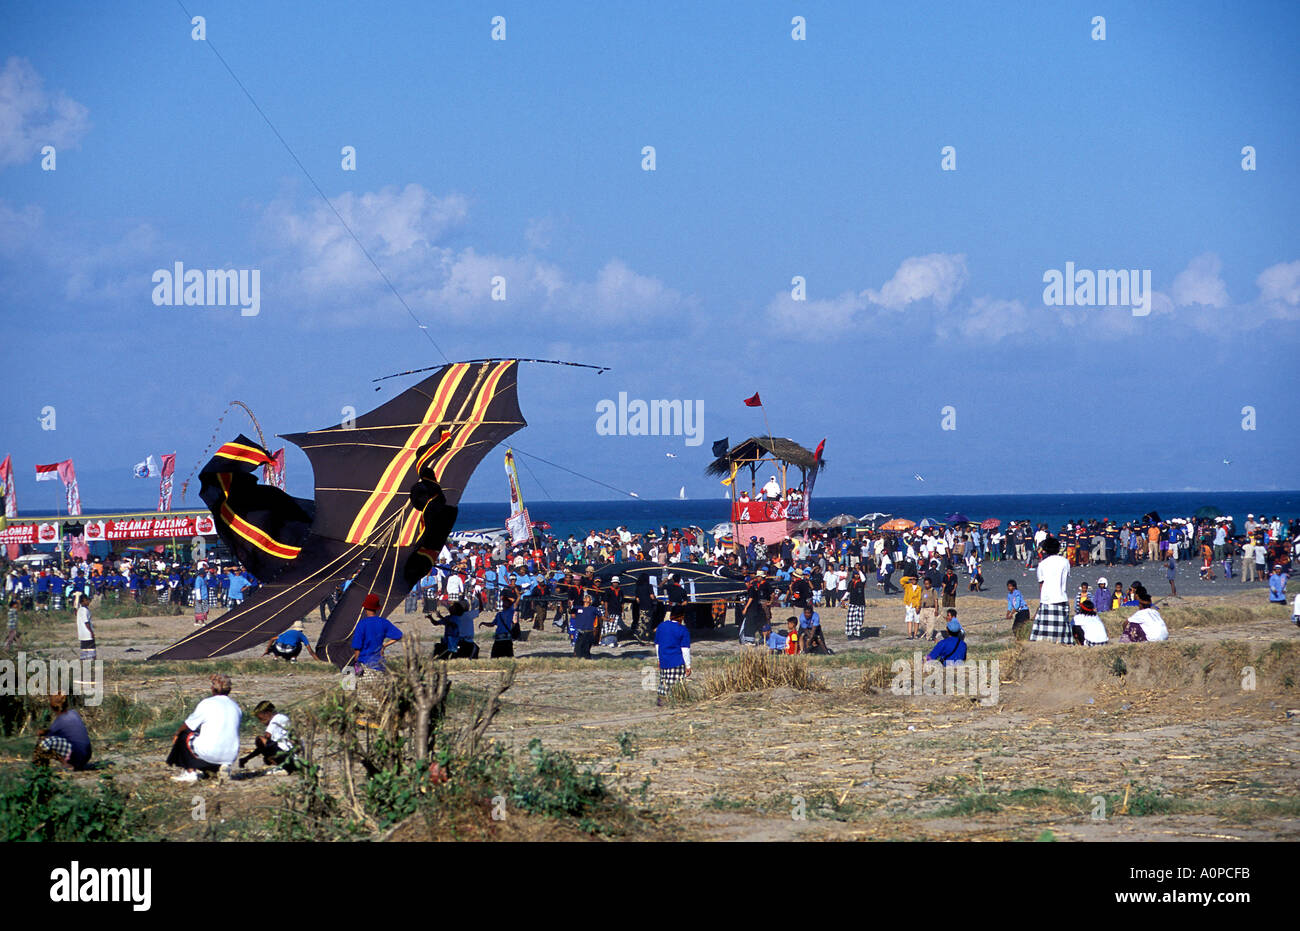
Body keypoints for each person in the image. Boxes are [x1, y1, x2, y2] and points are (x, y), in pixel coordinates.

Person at [166, 673, 242, 783]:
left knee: (185, 734)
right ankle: (221, 767)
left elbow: (188, 725)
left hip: (209, 753)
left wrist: (177, 733)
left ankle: (190, 772)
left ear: (212, 688)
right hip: (230, 755)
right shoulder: (236, 706)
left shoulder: (207, 703)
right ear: (229, 690)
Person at [1030, 536, 1072, 644]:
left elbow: (1041, 584)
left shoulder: (1042, 564)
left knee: (1044, 634)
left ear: (1045, 549)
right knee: (1062, 632)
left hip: (1047, 600)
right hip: (1061, 598)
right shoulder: (1065, 562)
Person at [33, 694, 92, 770]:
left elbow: (49, 737)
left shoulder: (58, 722)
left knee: (42, 742)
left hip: (77, 758)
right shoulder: (74, 713)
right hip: (86, 756)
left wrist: (42, 733)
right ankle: (71, 763)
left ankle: (41, 768)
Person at [349, 593, 403, 673]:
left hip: (365, 665)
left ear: (365, 607)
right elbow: (399, 635)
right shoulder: (383, 622)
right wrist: (384, 646)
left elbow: (357, 647)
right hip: (380, 665)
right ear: (377, 608)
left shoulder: (362, 624)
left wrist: (356, 663)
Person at [239, 700, 294, 773]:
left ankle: (283, 767)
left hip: (285, 755)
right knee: (266, 756)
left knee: (259, 739)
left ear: (268, 713)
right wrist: (247, 758)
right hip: (292, 756)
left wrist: (247, 758)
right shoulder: (282, 717)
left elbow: (265, 740)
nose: (261, 722)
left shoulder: (275, 720)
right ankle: (285, 766)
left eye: (261, 719)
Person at [653, 607, 691, 706]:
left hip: (664, 660)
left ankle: (661, 700)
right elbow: (685, 649)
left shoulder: (661, 626)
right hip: (676, 661)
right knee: (676, 683)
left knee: (664, 681)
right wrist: (688, 666)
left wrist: (659, 659)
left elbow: (657, 645)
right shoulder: (683, 630)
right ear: (682, 616)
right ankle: (676, 701)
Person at [571, 594, 601, 659]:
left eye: (588, 598)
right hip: (580, 631)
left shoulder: (593, 609)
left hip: (589, 631)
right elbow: (572, 615)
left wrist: (608, 619)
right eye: (585, 597)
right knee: (578, 648)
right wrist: (571, 606)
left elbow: (600, 616)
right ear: (583, 599)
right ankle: (578, 659)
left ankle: (587, 659)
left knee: (586, 648)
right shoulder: (578, 608)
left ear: (590, 601)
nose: (586, 598)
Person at [845, 568, 866, 639]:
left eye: (858, 574)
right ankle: (850, 633)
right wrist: (843, 599)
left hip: (861, 603)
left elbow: (863, 578)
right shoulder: (851, 582)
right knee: (850, 618)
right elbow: (848, 592)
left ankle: (857, 633)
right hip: (852, 603)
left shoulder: (862, 582)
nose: (857, 576)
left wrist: (859, 570)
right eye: (855, 574)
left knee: (860, 619)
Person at [74, 593, 95, 660]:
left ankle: (84, 662)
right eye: (86, 600)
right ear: (82, 602)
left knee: (84, 649)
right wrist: (91, 632)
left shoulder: (80, 610)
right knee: (91, 649)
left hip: (82, 634)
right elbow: (86, 622)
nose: (88, 602)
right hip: (87, 633)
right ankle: (92, 662)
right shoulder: (84, 610)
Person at [902, 573, 922, 640]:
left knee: (916, 620)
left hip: (916, 605)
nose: (913, 581)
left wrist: (918, 607)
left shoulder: (919, 588)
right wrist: (909, 577)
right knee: (909, 620)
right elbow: (902, 580)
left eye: (915, 579)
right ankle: (910, 634)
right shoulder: (907, 586)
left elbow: (919, 598)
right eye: (912, 579)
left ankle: (915, 634)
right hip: (909, 605)